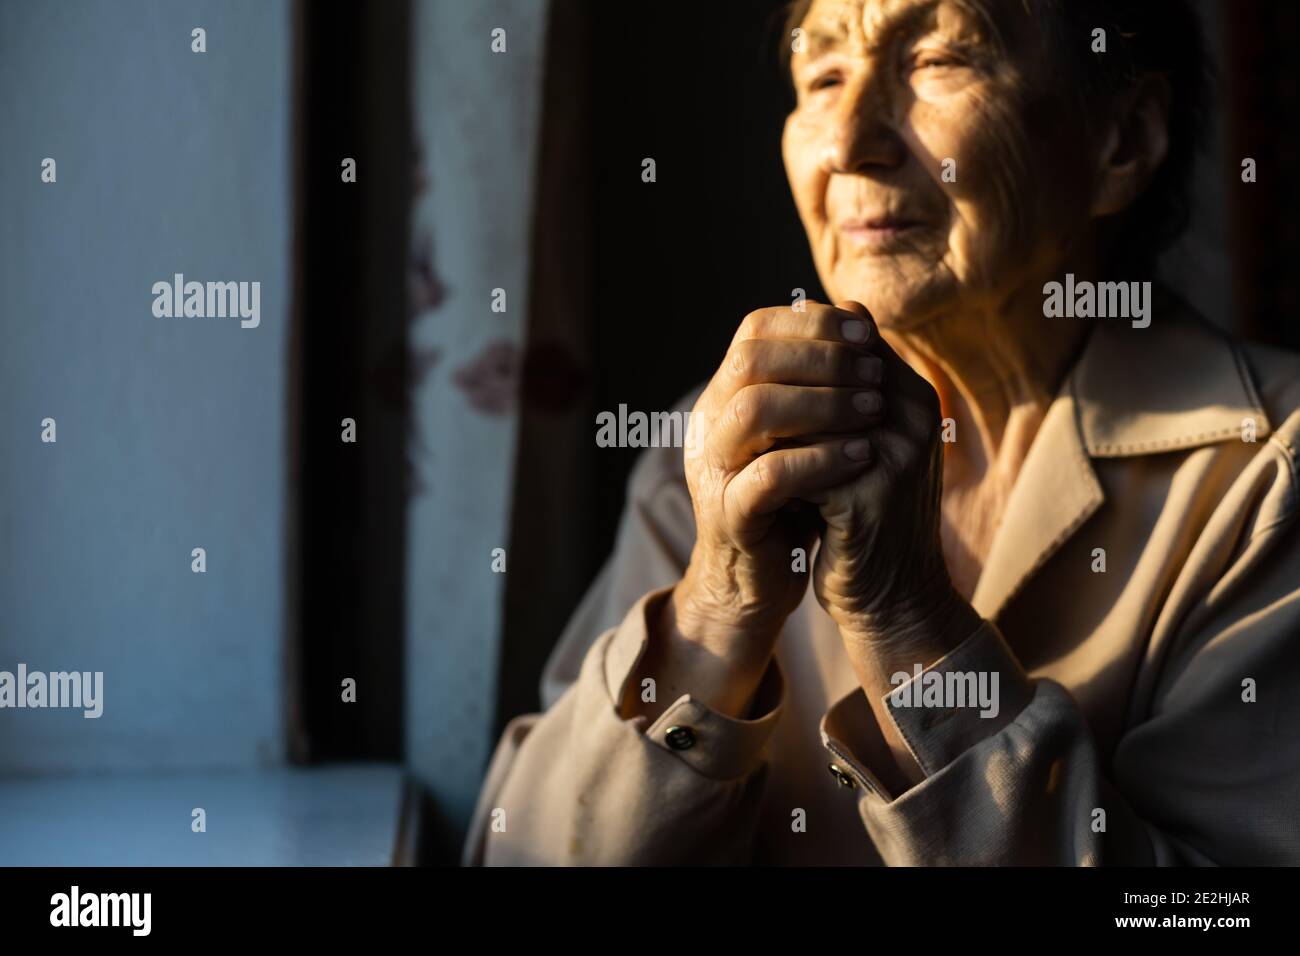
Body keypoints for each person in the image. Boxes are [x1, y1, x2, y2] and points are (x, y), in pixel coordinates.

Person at [464, 0, 1300, 865]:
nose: (847, 141)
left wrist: (907, 624)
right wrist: (717, 608)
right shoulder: (718, 456)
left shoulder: (1269, 473)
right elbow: (513, 853)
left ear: (1121, 140)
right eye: (822, 76)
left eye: (939, 61)